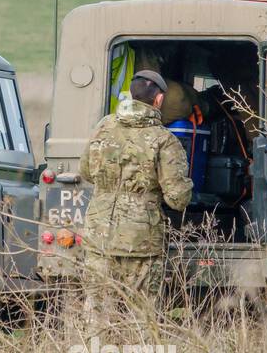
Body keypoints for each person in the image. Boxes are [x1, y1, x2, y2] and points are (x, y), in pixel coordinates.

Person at [80, 69, 194, 322]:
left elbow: (86, 171)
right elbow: (178, 199)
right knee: (142, 316)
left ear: (130, 95)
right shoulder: (164, 140)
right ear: (159, 100)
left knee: (96, 311)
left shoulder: (104, 127)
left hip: (99, 235)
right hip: (140, 242)